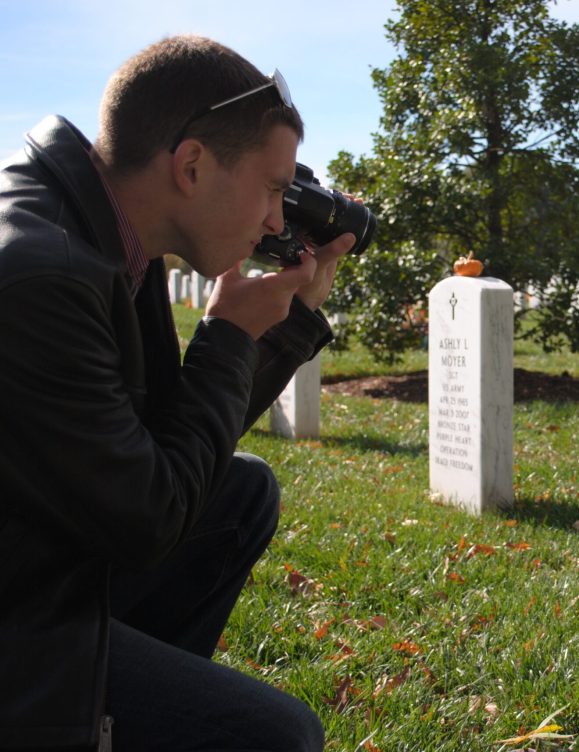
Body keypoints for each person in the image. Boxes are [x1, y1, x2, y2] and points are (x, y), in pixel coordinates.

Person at [0, 35, 354, 750]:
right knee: (278, 737)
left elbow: (170, 444)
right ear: (191, 165)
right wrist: (228, 337)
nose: (278, 222)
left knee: (238, 494)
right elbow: (147, 523)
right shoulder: (45, 274)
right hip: (21, 614)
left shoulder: (102, 229)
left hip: (39, 561)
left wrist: (284, 326)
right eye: (273, 189)